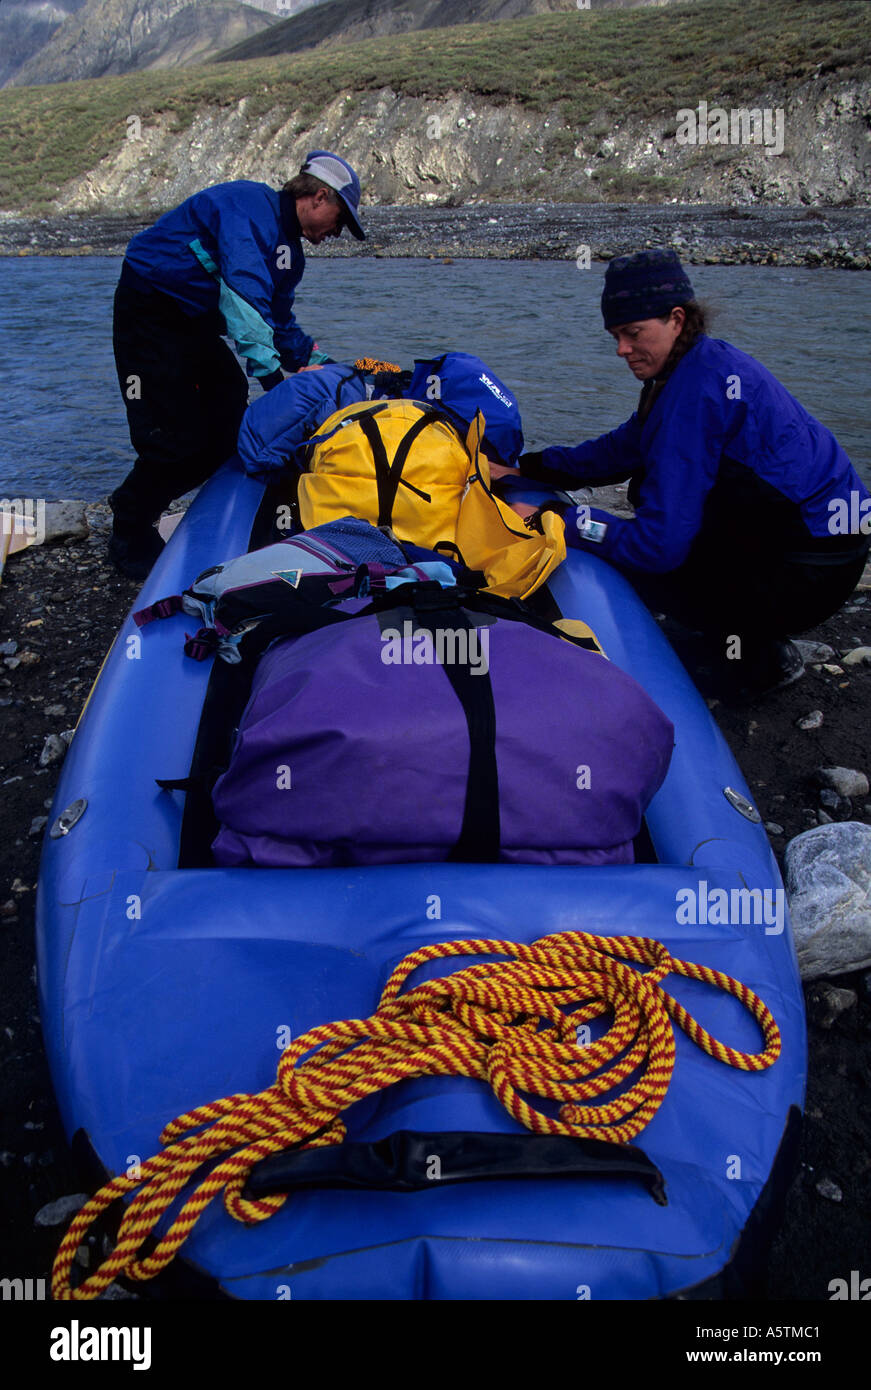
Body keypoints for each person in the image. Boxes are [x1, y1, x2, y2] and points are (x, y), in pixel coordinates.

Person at [515, 248, 870, 693]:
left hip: (811, 571)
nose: (622, 349)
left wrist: (557, 520)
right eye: (615, 336)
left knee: (644, 563)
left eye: (632, 333)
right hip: (824, 548)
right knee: (654, 512)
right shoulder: (699, 363)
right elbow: (623, 449)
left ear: (677, 319)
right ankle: (746, 632)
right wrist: (527, 467)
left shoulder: (694, 396)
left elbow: (656, 550)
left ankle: (755, 661)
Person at [108, 150, 365, 579]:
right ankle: (128, 527)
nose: (337, 232)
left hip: (194, 324)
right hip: (150, 311)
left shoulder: (290, 255)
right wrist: (276, 383)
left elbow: (278, 323)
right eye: (341, 220)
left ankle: (168, 509)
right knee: (170, 437)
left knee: (230, 422)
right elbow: (244, 304)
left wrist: (327, 367)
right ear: (320, 197)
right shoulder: (248, 207)